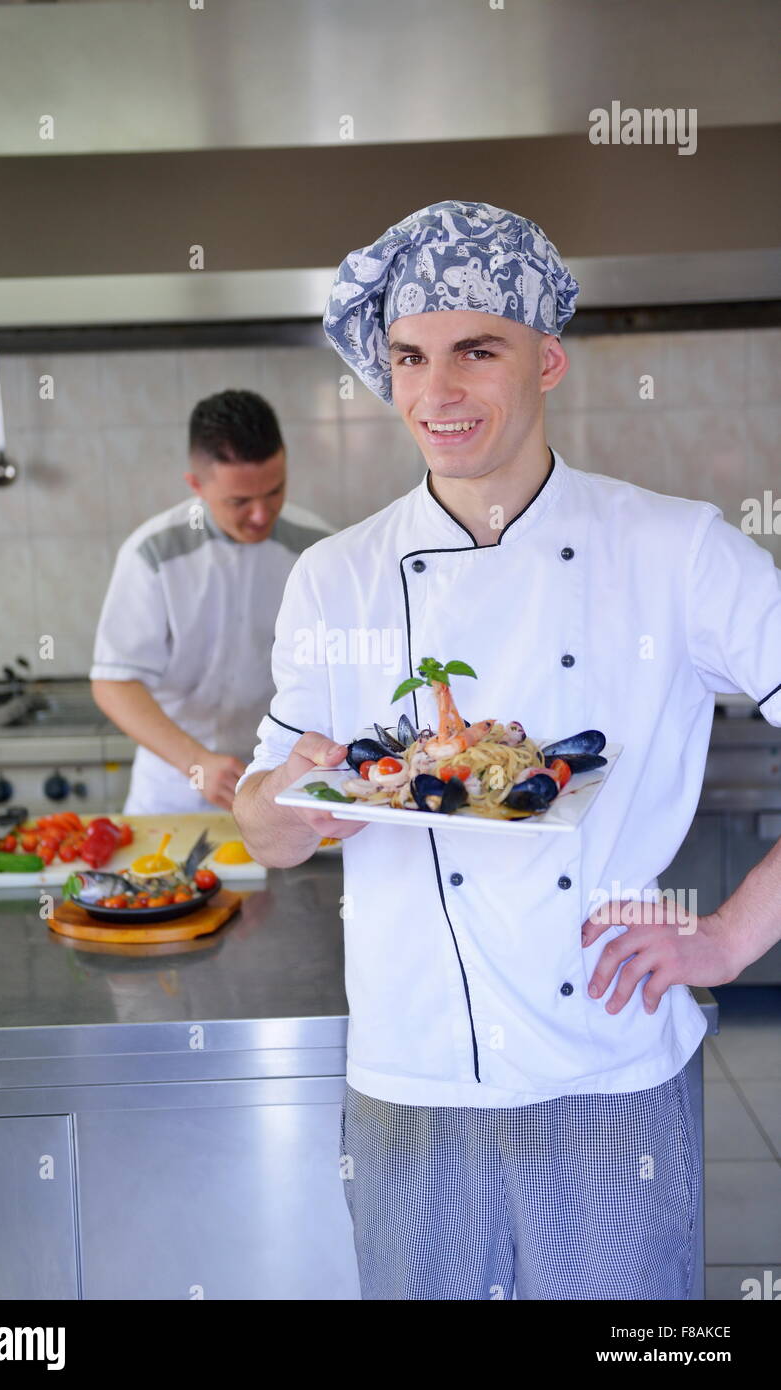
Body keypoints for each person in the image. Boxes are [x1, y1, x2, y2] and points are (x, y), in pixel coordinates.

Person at [233, 200, 781, 1300]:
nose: (436, 391)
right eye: (409, 357)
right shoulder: (336, 577)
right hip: (408, 1077)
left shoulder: (675, 550)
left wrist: (731, 938)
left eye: (475, 351)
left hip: (608, 1064)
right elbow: (268, 823)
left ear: (547, 361)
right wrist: (283, 810)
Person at [90, 389, 331, 813]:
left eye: (274, 491)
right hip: (173, 789)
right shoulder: (153, 554)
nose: (261, 515)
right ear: (196, 485)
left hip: (283, 782)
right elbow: (114, 682)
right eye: (239, 501)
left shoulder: (321, 551)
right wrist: (195, 762)